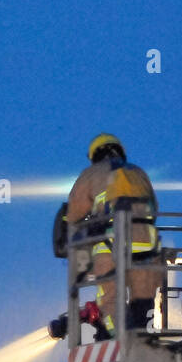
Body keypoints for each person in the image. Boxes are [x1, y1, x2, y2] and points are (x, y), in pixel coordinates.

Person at [58, 133, 161, 339]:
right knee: (144, 299)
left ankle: (122, 340)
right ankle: (145, 338)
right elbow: (154, 208)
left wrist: (70, 229)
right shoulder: (138, 172)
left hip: (110, 243)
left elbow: (74, 214)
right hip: (147, 244)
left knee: (110, 299)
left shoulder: (91, 174)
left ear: (95, 154)